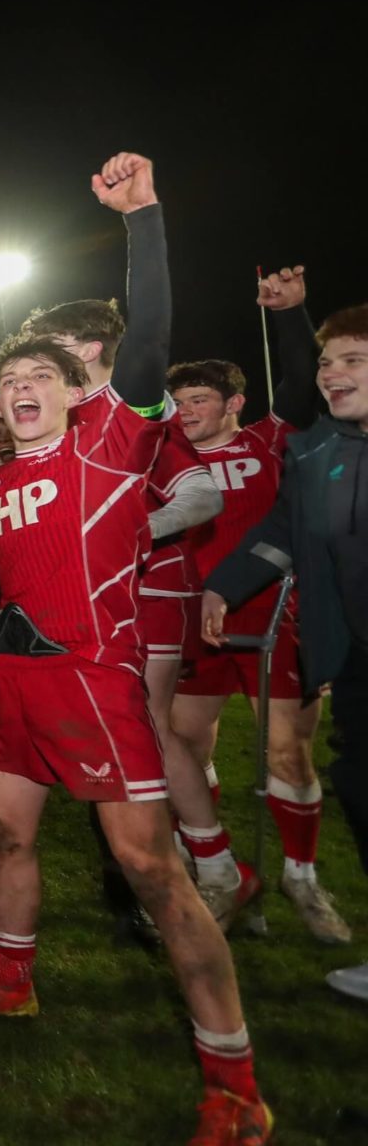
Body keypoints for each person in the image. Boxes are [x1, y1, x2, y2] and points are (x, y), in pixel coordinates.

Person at [0, 154, 270, 1142]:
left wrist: (145, 218)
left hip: (99, 686)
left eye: (44, 375)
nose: (24, 385)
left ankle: (234, 1078)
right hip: (17, 688)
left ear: (82, 393)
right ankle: (13, 977)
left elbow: (152, 334)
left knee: (150, 871)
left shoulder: (112, 445)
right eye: (11, 377)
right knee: (5, 835)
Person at [18, 291, 246, 928]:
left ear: (88, 349)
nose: (37, 366)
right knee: (120, 730)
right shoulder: (64, 414)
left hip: (150, 587)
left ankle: (213, 868)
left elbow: (201, 495)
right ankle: (168, 869)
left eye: (49, 350)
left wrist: (129, 532)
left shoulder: (128, 408)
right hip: (89, 594)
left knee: (142, 724)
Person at [204, 298, 368, 1004]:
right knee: (362, 795)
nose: (332, 374)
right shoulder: (317, 451)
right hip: (355, 659)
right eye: (328, 362)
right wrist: (225, 586)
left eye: (352, 361)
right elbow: (283, 531)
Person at [171, 307, 350, 946]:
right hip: (196, 624)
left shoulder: (269, 438)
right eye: (180, 400)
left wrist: (285, 317)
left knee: (285, 752)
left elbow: (301, 381)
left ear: (234, 403)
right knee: (184, 747)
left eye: (200, 398)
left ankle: (301, 876)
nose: (187, 409)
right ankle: (218, 868)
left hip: (272, 617)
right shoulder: (168, 460)